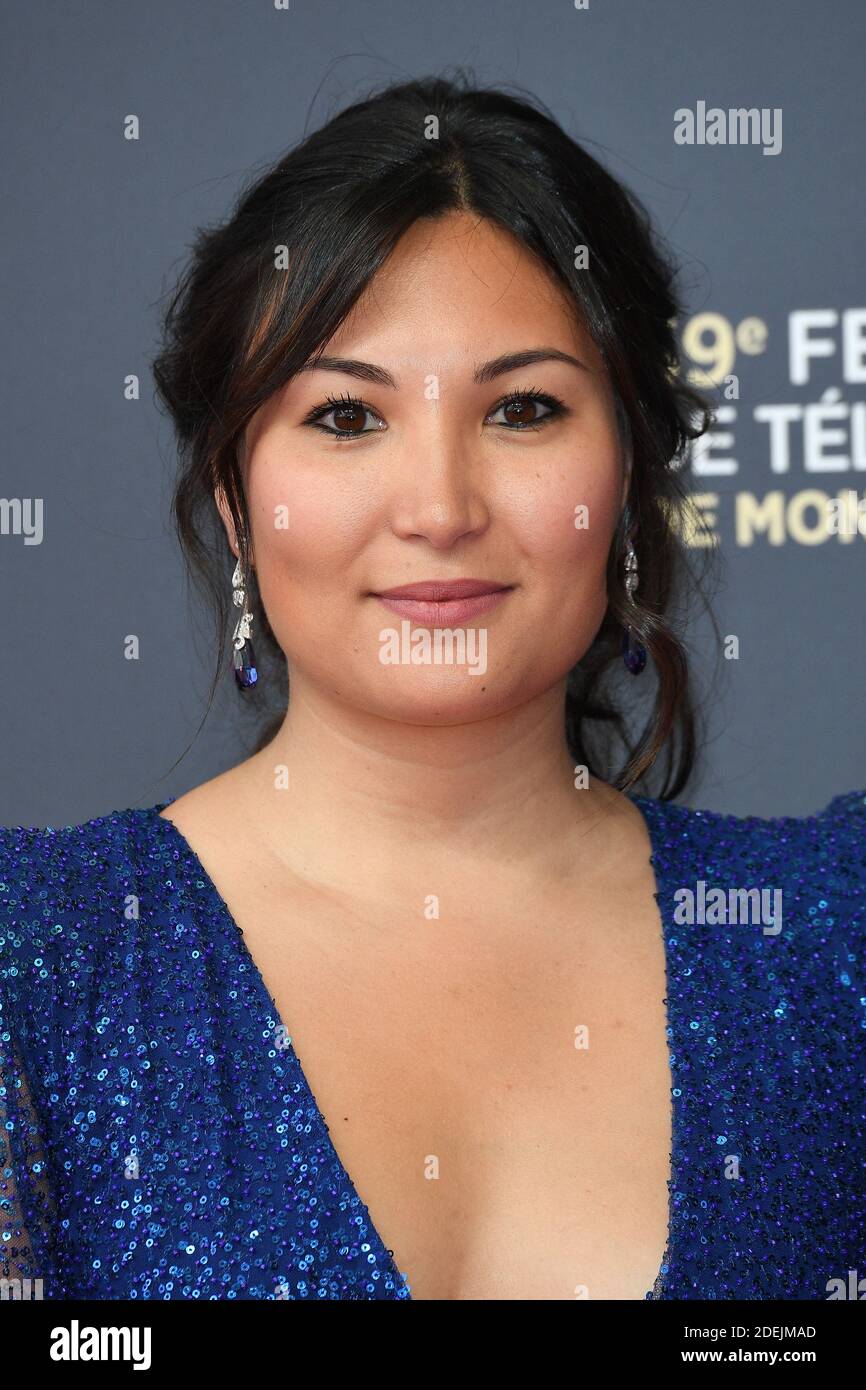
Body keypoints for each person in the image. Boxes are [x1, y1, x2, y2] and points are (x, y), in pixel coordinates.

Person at [1, 74, 863, 1302]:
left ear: (623, 473)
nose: (441, 510)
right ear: (236, 501)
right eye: (347, 417)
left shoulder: (828, 939)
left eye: (522, 408)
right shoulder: (39, 962)